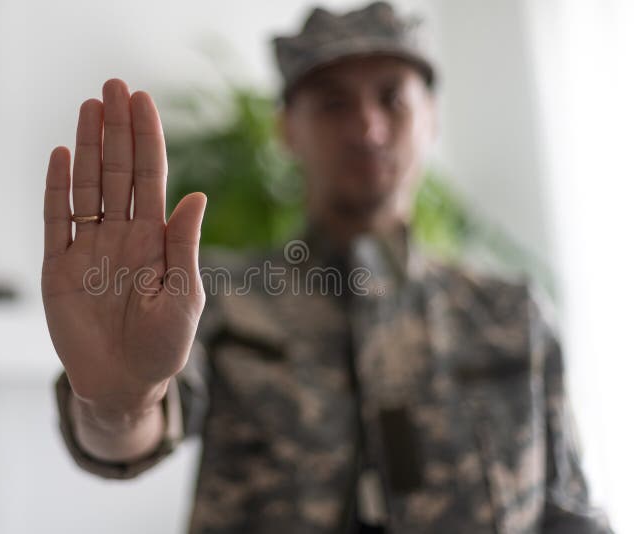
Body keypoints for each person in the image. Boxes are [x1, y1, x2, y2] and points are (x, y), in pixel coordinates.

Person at [41, 2, 612, 532]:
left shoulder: (510, 314)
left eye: (391, 98)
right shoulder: (212, 297)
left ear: (431, 118)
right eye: (334, 103)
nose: (367, 127)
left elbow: (569, 510)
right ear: (287, 128)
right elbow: (130, 434)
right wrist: (122, 403)